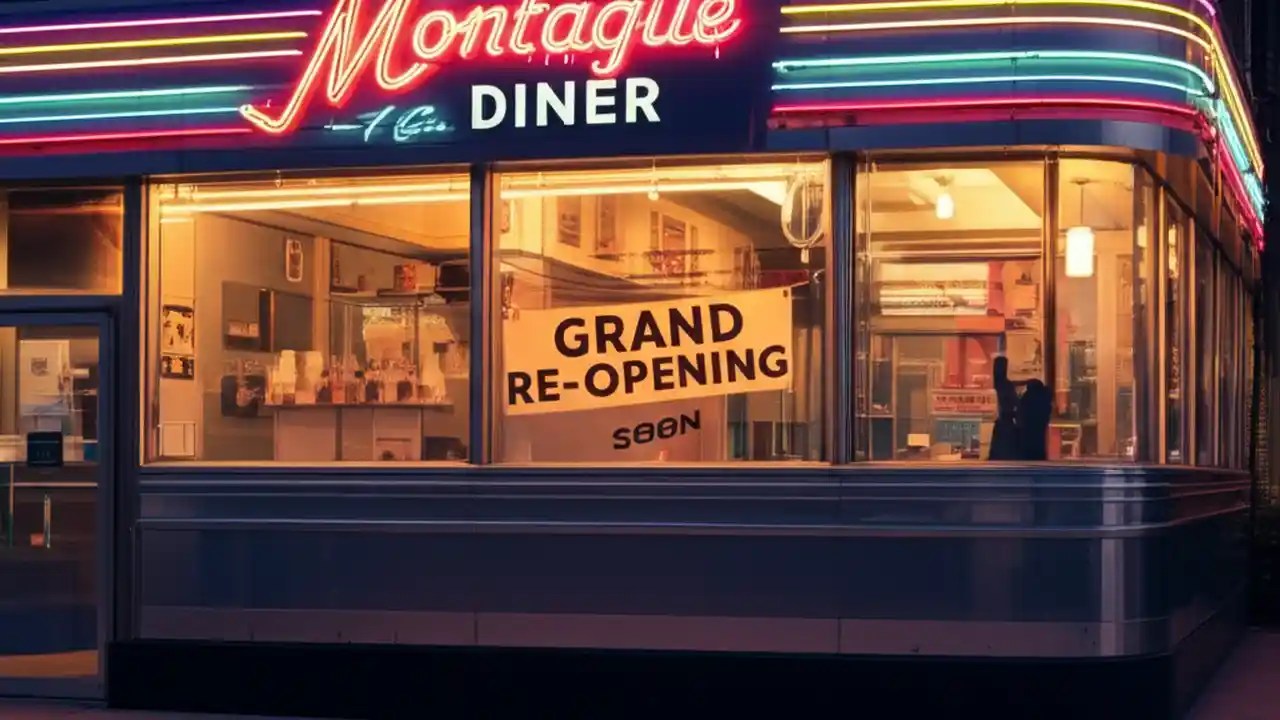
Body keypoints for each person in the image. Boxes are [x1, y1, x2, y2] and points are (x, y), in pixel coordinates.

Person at [988, 356, 1022, 460]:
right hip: (1007, 423)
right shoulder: (1007, 385)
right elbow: (1015, 403)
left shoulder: (991, 385)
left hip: (998, 423)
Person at [1017, 379, 1051, 461]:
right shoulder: (1045, 396)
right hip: (1041, 428)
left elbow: (1020, 413)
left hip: (1028, 431)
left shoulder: (1027, 397)